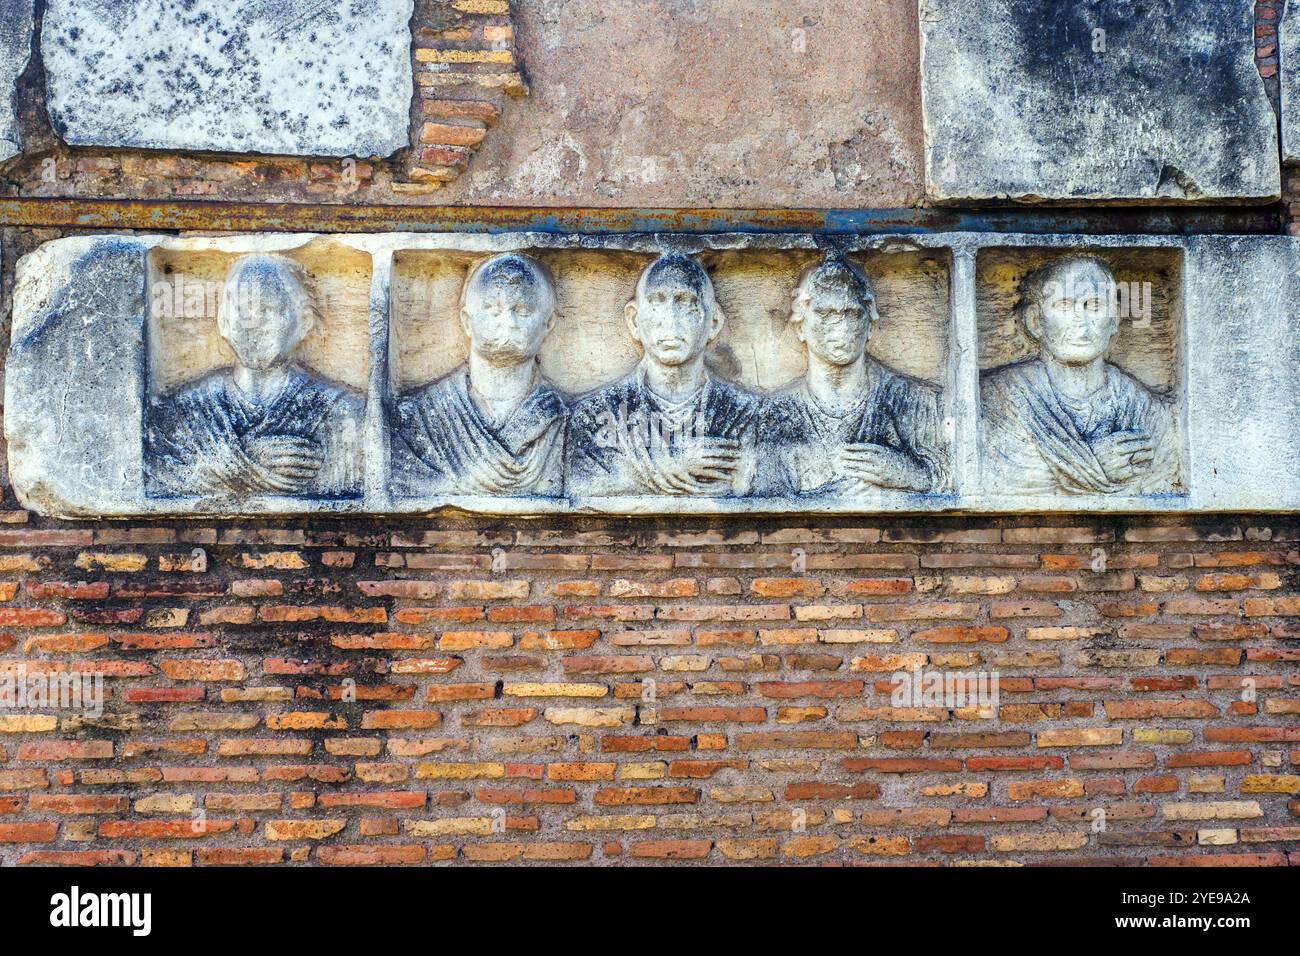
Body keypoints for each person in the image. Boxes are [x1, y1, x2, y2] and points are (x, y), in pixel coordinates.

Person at [146, 254, 363, 499]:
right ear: (223, 321)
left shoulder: (343, 414)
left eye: (267, 309)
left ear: (303, 321)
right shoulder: (181, 416)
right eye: (241, 309)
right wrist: (241, 462)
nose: (253, 323)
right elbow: (159, 475)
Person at [980, 254, 1179, 495]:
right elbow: (993, 478)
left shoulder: (1143, 409)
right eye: (1064, 305)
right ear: (1035, 321)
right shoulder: (1001, 399)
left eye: (1094, 305)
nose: (1080, 321)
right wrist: (1093, 465)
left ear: (1114, 319)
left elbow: (1166, 473)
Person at [567, 253, 760, 497]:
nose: (671, 321)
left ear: (714, 322)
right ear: (634, 320)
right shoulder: (596, 415)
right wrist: (676, 463)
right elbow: (584, 491)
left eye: (687, 303)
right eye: (657, 302)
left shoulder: (742, 414)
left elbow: (748, 494)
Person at [760, 255, 947, 497]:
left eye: (852, 313)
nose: (841, 326)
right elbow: (764, 495)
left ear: (870, 325)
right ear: (800, 327)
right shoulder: (777, 413)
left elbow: (954, 473)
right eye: (826, 313)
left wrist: (908, 473)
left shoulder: (915, 402)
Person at [391, 252, 567, 497]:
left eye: (523, 310)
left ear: (548, 324)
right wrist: (515, 437)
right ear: (466, 321)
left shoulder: (564, 419)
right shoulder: (418, 418)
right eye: (493, 310)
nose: (509, 321)